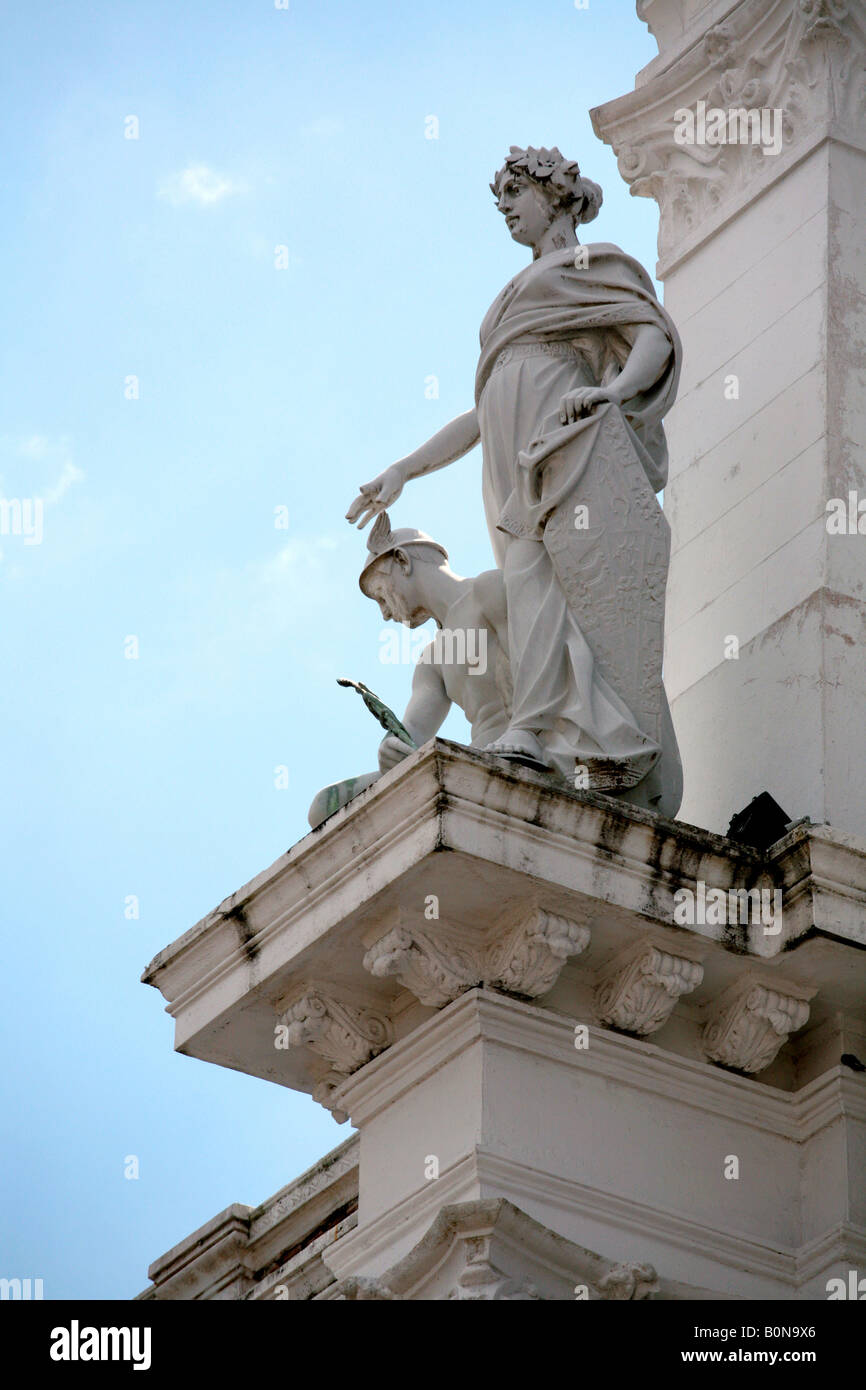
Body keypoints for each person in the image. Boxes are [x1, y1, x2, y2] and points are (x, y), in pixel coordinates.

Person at [347, 145, 683, 817]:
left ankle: (542, 732)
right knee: (531, 578)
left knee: (550, 584)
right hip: (507, 449)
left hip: (564, 432)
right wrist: (406, 469)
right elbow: (481, 409)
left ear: (551, 195)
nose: (504, 208)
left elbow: (652, 335)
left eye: (513, 193)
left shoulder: (594, 266)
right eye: (499, 197)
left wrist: (612, 392)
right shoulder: (508, 305)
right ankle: (553, 735)